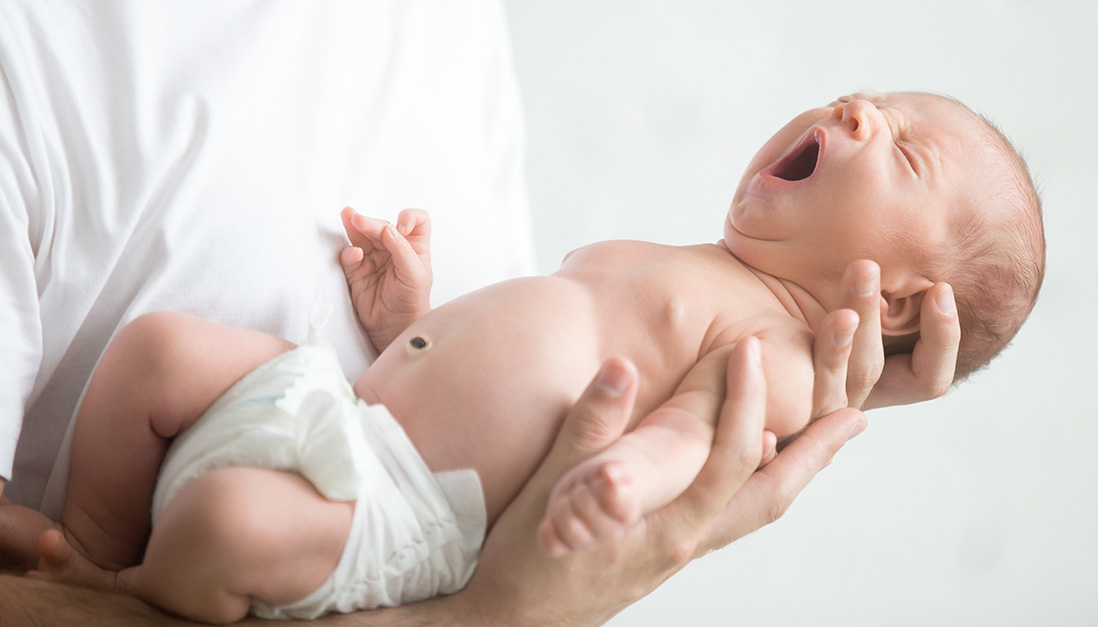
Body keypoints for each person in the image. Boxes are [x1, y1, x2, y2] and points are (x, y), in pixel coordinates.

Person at [0, 2, 964, 624]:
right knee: (158, 352)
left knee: (228, 525)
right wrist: (410, 321)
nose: (857, 109)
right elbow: (511, 352)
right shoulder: (680, 261)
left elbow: (690, 433)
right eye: (870, 99)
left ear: (898, 299)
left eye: (905, 149)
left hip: (403, 506)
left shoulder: (779, 352)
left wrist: (626, 476)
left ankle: (130, 586)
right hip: (341, 400)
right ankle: (83, 546)